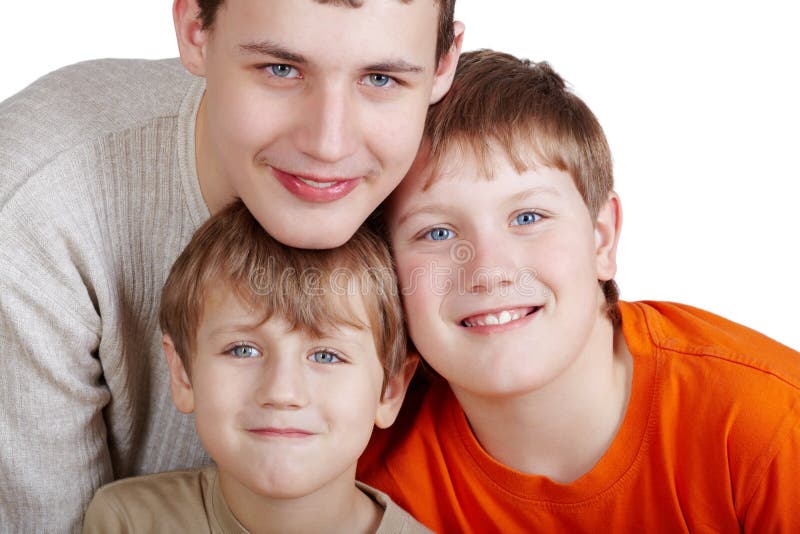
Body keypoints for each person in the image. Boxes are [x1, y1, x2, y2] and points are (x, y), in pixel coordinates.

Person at [0, 0, 463, 530]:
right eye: (280, 68)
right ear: (195, 30)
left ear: (443, 66)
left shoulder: (469, 192)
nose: (328, 146)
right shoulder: (34, 212)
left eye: (381, 78)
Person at [358, 50, 800, 532]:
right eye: (437, 233)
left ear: (601, 238)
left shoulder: (769, 428)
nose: (488, 271)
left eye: (528, 218)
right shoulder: (360, 464)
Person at [81, 200, 426, 533]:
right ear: (183, 373)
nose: (282, 392)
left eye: (326, 356)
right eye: (243, 350)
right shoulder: (125, 522)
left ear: (390, 390)